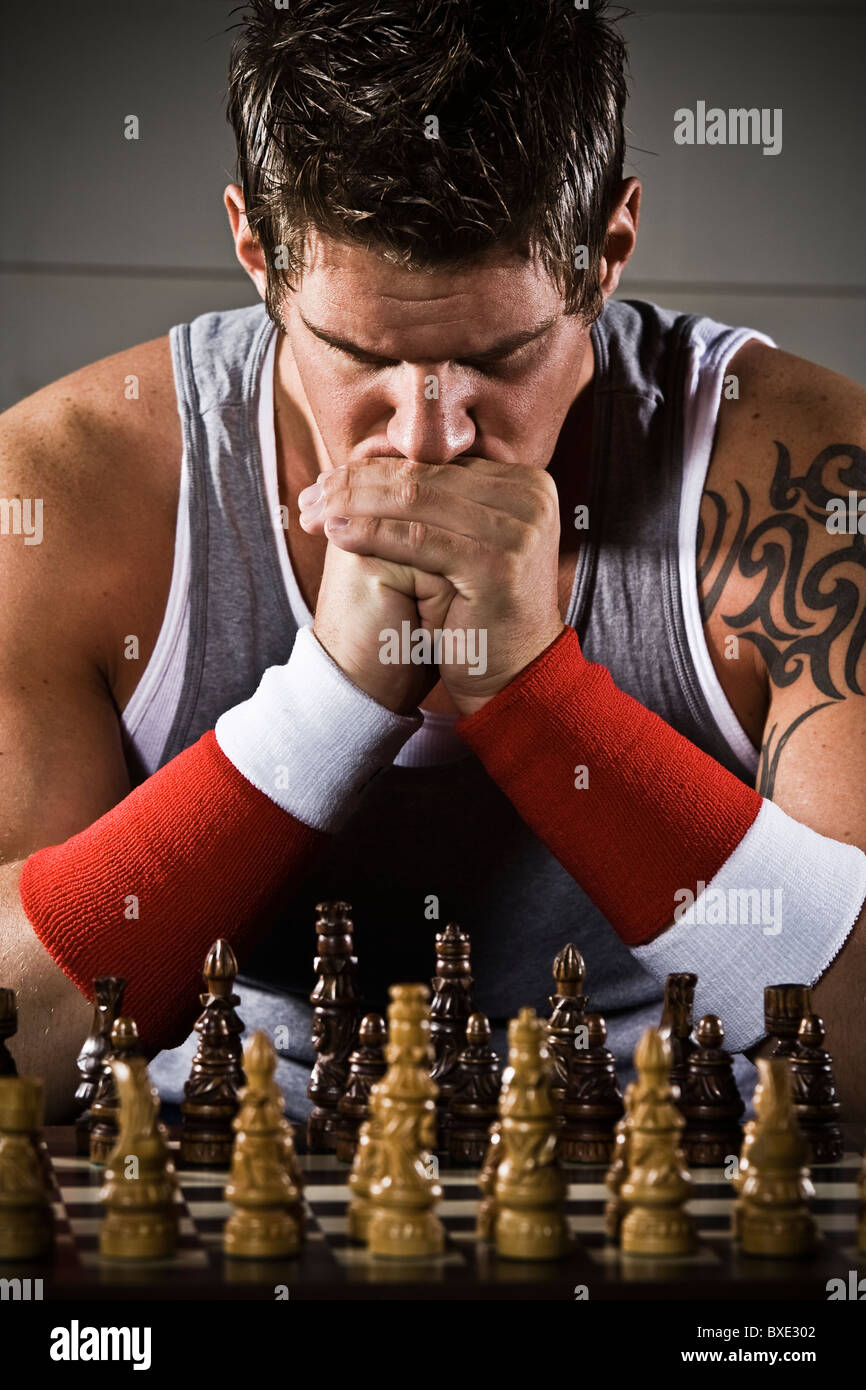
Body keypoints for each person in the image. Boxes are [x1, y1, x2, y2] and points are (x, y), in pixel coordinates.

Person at [1, 0, 863, 1122]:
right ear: (257, 254)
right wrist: (331, 697)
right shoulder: (63, 490)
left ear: (605, 256)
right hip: (214, 1211)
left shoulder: (804, 484)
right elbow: (16, 1037)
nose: (427, 437)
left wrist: (530, 691)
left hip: (666, 1222)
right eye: (359, 354)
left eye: (500, 357)